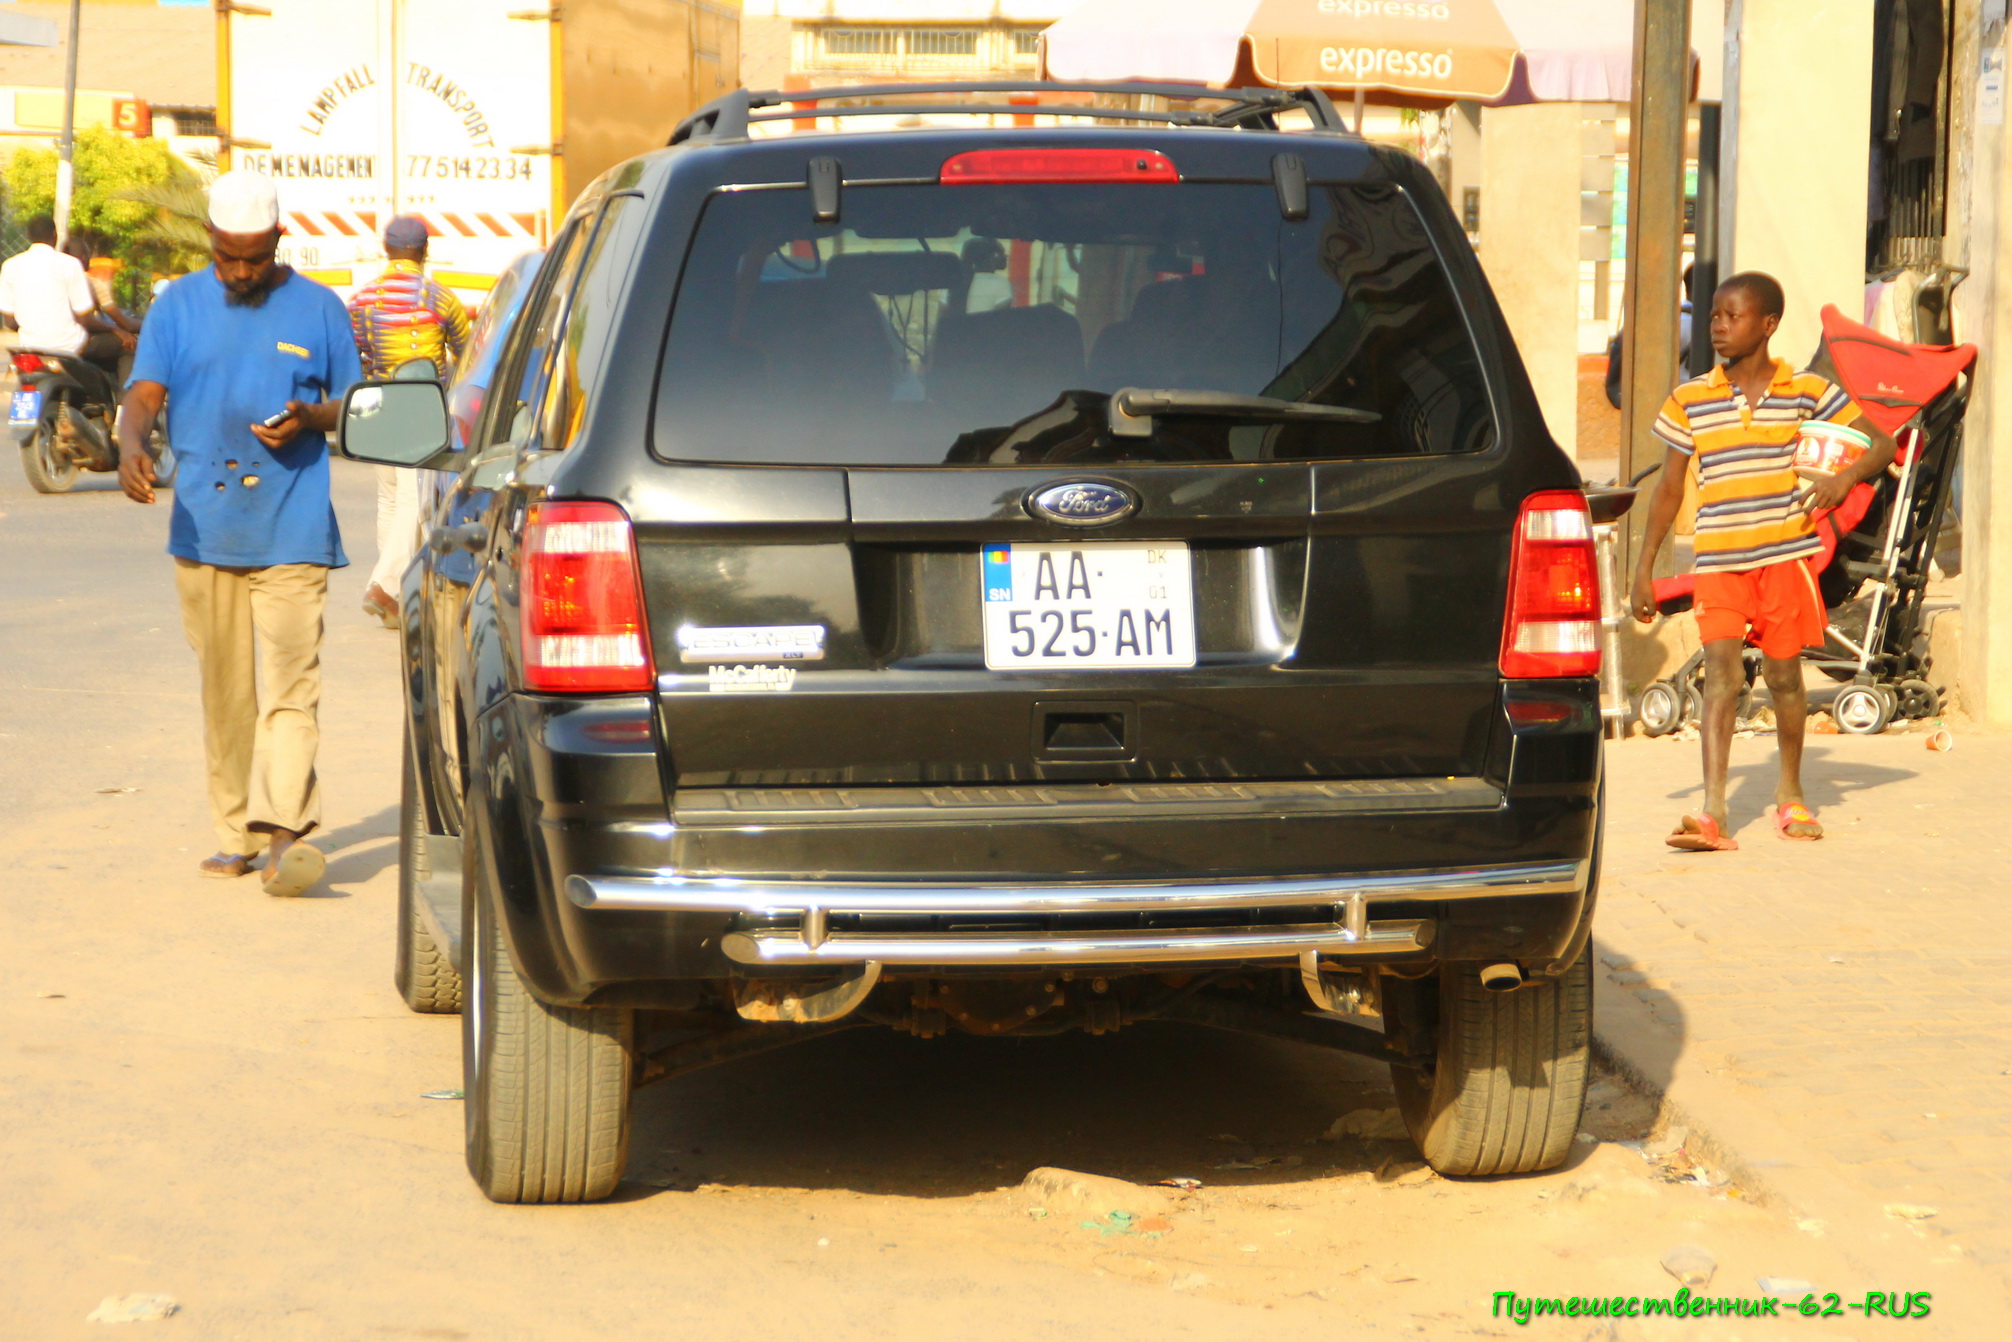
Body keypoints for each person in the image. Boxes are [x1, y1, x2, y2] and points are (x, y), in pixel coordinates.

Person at [115, 170, 363, 896]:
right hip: (204, 528)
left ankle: (284, 833)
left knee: (292, 686)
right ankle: (234, 834)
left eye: (255, 257)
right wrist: (131, 445)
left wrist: (309, 416)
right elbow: (144, 394)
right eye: (229, 256)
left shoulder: (320, 309)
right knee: (226, 694)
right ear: (211, 242)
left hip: (293, 526)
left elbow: (351, 403)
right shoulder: (176, 306)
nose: (242, 271)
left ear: (279, 241)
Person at [1630, 272, 1897, 851]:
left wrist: (1844, 476)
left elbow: (1882, 443)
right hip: (1720, 561)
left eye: (1733, 316)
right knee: (1721, 677)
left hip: (1785, 557)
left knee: (1782, 677)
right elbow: (1669, 489)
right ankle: (1711, 811)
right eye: (1714, 317)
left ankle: (1790, 795)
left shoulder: (1805, 389)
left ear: (1768, 324)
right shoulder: (1689, 398)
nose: (1718, 326)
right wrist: (1643, 567)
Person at [346, 215, 470, 627]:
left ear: (386, 249)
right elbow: (466, 352)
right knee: (411, 502)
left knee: (389, 500)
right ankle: (385, 585)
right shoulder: (439, 298)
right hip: (420, 408)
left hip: (377, 406)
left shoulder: (361, 301)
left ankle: (394, 601)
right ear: (425, 251)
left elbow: (353, 355)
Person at [0, 215, 125, 383]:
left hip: (30, 348)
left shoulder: (10, 266)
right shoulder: (70, 264)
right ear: (54, 235)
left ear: (29, 236)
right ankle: (124, 405)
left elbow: (10, 322)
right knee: (128, 347)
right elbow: (84, 319)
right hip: (71, 346)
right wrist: (116, 330)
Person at [64, 232, 142, 384]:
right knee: (130, 344)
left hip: (40, 343)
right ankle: (123, 403)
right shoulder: (90, 282)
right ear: (84, 257)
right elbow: (123, 322)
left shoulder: (51, 280)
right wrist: (148, 325)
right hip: (77, 342)